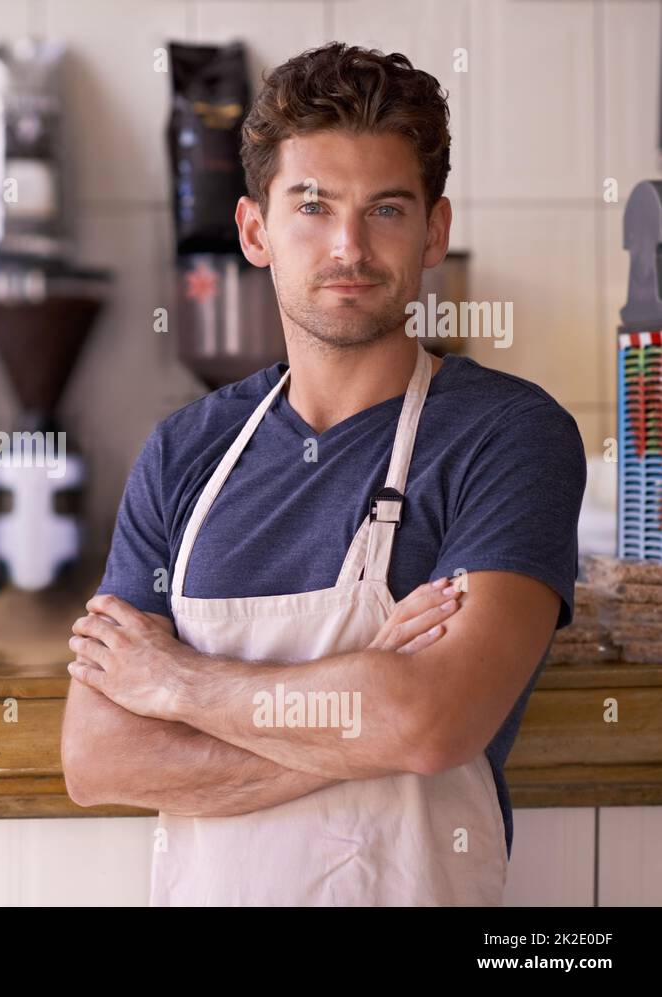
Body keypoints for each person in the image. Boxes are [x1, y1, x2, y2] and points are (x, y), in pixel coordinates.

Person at [60, 41, 586, 906]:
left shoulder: (509, 435)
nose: (350, 246)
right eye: (312, 206)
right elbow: (98, 759)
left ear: (434, 232)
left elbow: (429, 722)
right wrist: (361, 699)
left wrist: (178, 683)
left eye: (385, 209)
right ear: (255, 231)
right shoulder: (182, 453)